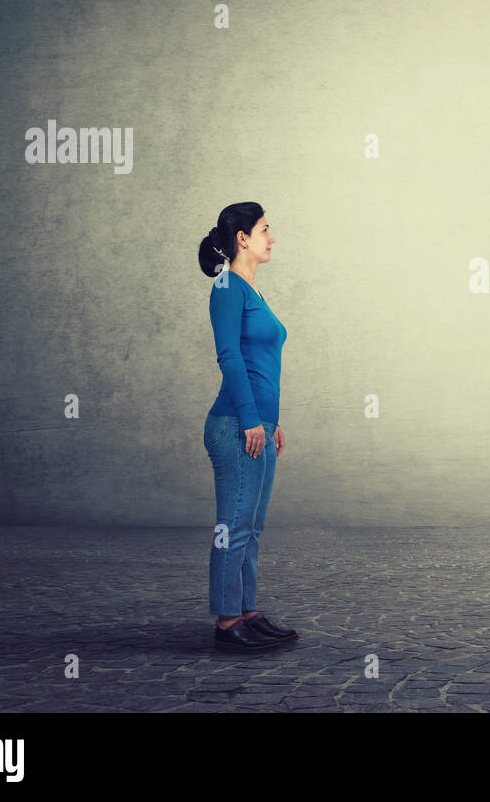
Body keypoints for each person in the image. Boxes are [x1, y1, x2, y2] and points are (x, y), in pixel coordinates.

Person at [197, 203, 296, 650]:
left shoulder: (251, 290)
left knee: (251, 528)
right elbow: (230, 357)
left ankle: (247, 612)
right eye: (265, 229)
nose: (272, 237)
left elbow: (263, 365)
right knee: (232, 527)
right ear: (242, 238)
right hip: (235, 423)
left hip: (257, 424)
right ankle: (227, 623)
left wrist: (269, 422)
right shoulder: (226, 287)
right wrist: (253, 419)